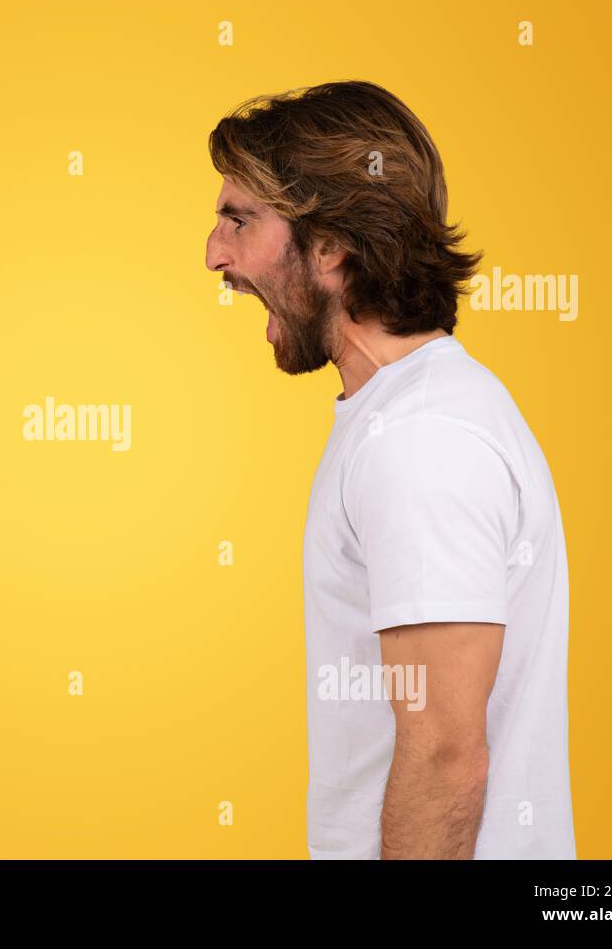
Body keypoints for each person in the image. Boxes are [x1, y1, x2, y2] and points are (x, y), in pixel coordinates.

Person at [205, 82, 576, 858]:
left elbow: (445, 757)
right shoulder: (408, 415)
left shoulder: (420, 440)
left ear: (333, 246)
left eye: (240, 220)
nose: (215, 254)